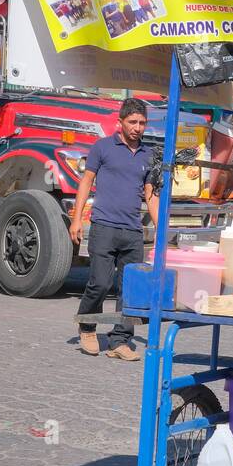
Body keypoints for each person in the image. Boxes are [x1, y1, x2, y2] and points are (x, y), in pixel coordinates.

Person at [70, 99, 159, 361]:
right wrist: (76, 220)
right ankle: (87, 327)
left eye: (142, 123)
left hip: (132, 231)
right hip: (104, 226)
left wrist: (161, 227)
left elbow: (150, 193)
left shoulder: (148, 155)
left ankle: (119, 340)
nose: (137, 127)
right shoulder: (102, 147)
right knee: (100, 282)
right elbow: (86, 182)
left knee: (130, 288)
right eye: (132, 122)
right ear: (119, 122)